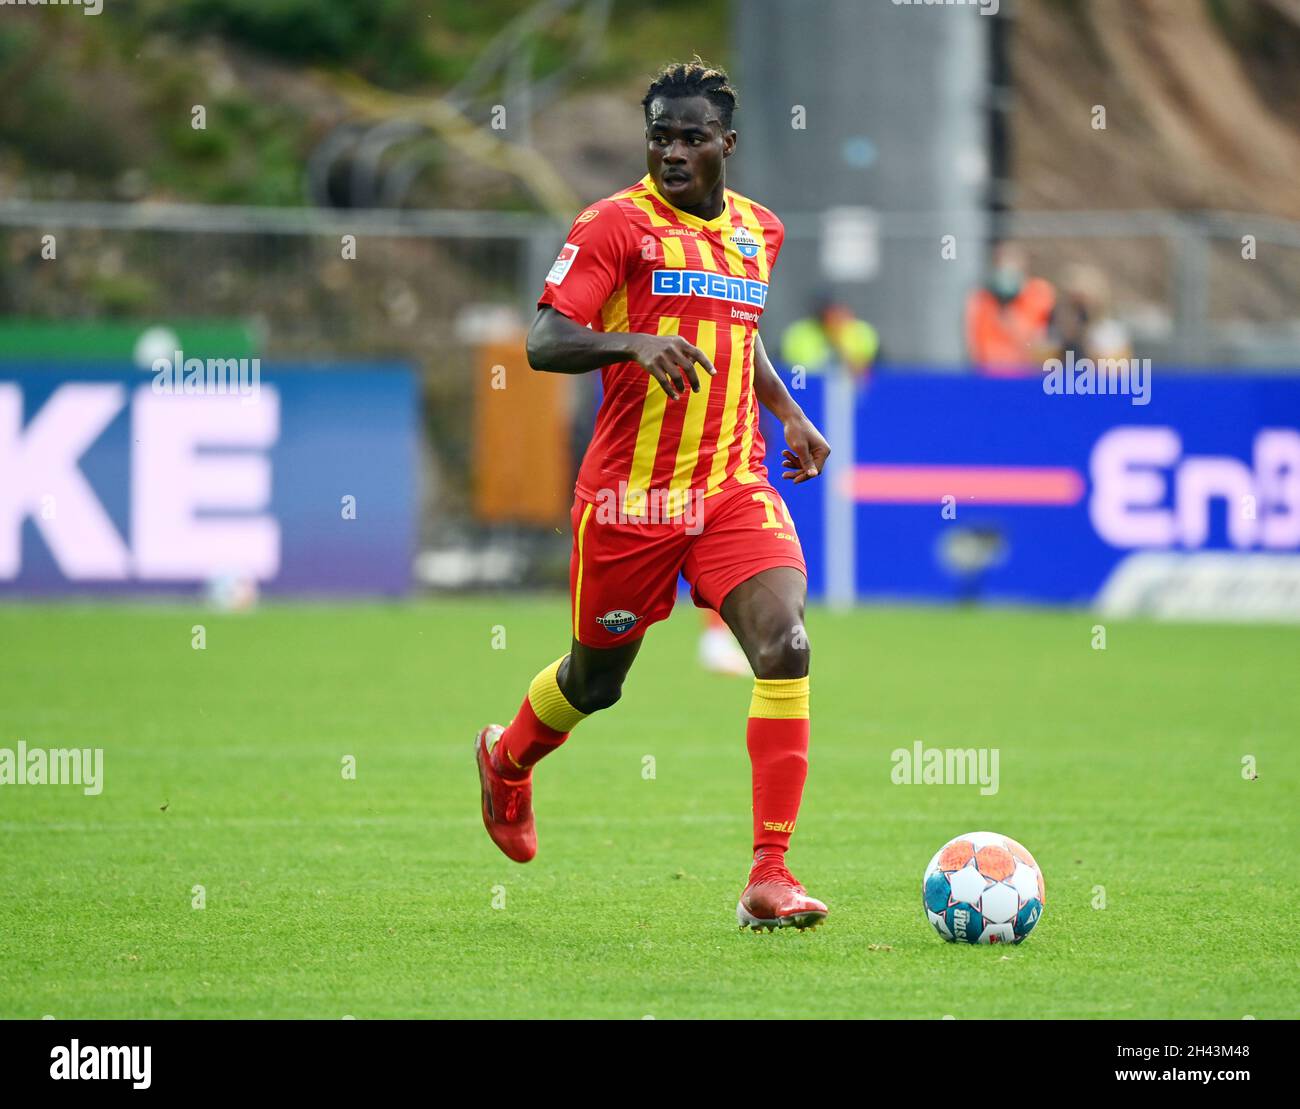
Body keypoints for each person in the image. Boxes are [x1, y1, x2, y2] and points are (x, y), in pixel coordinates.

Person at [474, 58, 833, 931]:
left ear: (728, 145)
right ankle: (508, 758)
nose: (673, 152)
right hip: (631, 502)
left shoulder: (760, 232)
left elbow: (736, 336)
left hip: (729, 487)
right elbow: (545, 339)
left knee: (785, 644)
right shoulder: (614, 228)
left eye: (691, 138)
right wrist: (633, 344)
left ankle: (769, 874)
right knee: (595, 683)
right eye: (660, 136)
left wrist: (787, 415)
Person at [965, 241, 1056, 375]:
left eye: (1012, 262)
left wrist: (1006, 307)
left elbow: (1037, 342)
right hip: (988, 373)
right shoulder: (980, 298)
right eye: (1001, 262)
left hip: (1024, 373)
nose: (1006, 268)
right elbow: (972, 343)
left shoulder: (1038, 293)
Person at [780, 291, 879, 381]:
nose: (835, 318)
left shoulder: (861, 332)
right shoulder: (800, 334)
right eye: (830, 314)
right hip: (809, 389)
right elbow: (799, 371)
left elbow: (867, 369)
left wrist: (840, 346)